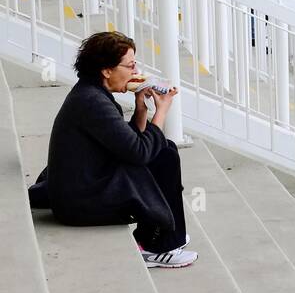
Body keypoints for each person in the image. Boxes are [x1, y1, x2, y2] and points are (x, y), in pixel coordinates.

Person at [25, 32, 195, 268]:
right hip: (79, 204)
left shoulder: (92, 93)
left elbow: (128, 144)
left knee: (164, 148)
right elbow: (139, 152)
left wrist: (141, 109)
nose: (135, 73)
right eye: (130, 66)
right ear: (106, 70)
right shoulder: (92, 102)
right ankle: (160, 245)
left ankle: (168, 236)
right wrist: (162, 112)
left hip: (82, 189)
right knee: (162, 156)